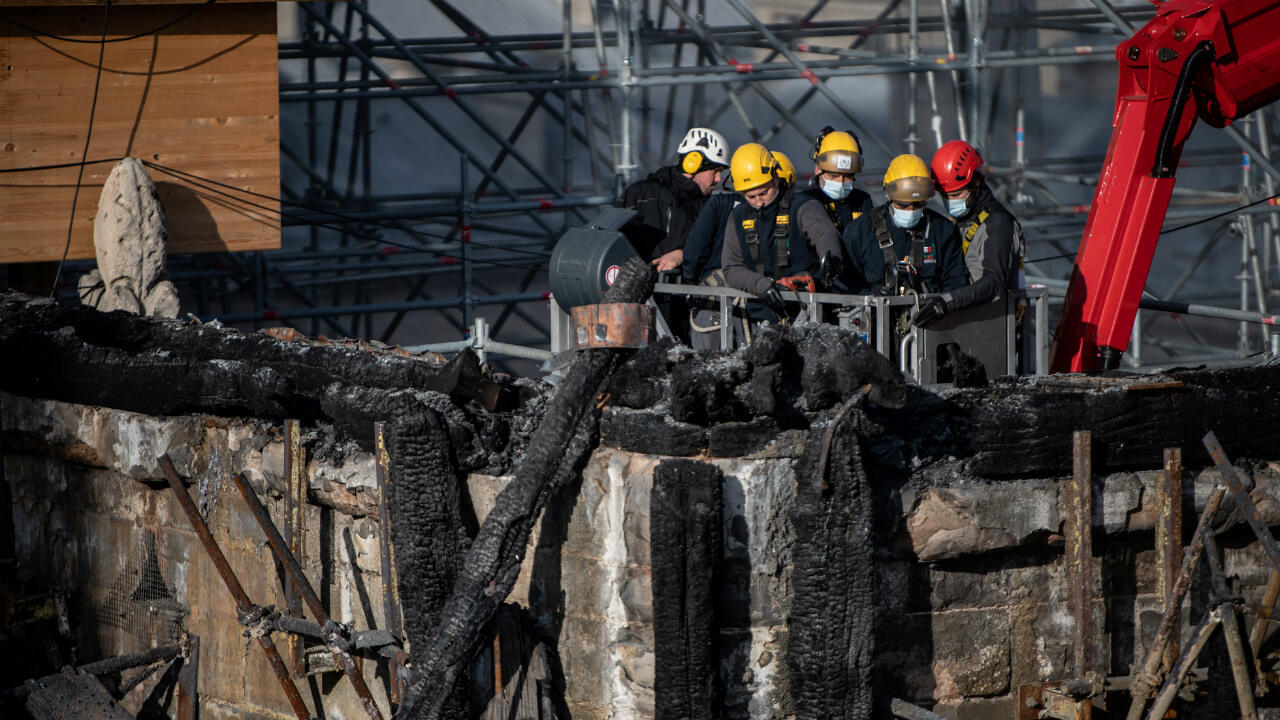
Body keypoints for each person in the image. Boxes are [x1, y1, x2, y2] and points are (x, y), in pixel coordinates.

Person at [721, 143, 843, 331]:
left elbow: (824, 233)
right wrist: (761, 286)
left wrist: (832, 257)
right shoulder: (737, 217)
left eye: (764, 193)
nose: (759, 202)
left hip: (808, 313)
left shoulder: (803, 206)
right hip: (760, 315)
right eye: (751, 197)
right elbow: (731, 267)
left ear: (775, 179)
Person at [684, 151, 796, 349]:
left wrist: (691, 285)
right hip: (730, 305)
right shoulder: (775, 214)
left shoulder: (722, 204)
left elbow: (694, 252)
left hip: (722, 303)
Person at [911, 140, 1026, 327]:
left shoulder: (997, 223)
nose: (950, 202)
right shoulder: (959, 222)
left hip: (992, 328)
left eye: (955, 195)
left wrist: (946, 302)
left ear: (976, 183)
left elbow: (993, 284)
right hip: (962, 326)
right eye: (944, 195)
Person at [840, 153, 967, 297]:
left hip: (931, 315)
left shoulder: (943, 230)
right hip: (874, 316)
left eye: (918, 204)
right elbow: (846, 283)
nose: (911, 210)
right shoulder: (859, 232)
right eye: (903, 204)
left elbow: (956, 281)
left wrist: (941, 306)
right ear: (889, 196)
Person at [617, 127, 730, 272]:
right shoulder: (640, 194)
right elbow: (609, 239)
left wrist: (682, 255)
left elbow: (721, 251)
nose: (718, 179)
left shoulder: (712, 208)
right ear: (692, 164)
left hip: (689, 292)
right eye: (715, 171)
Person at [802, 127, 874, 236]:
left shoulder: (862, 201)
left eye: (848, 176)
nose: (840, 182)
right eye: (833, 176)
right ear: (818, 169)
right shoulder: (805, 202)